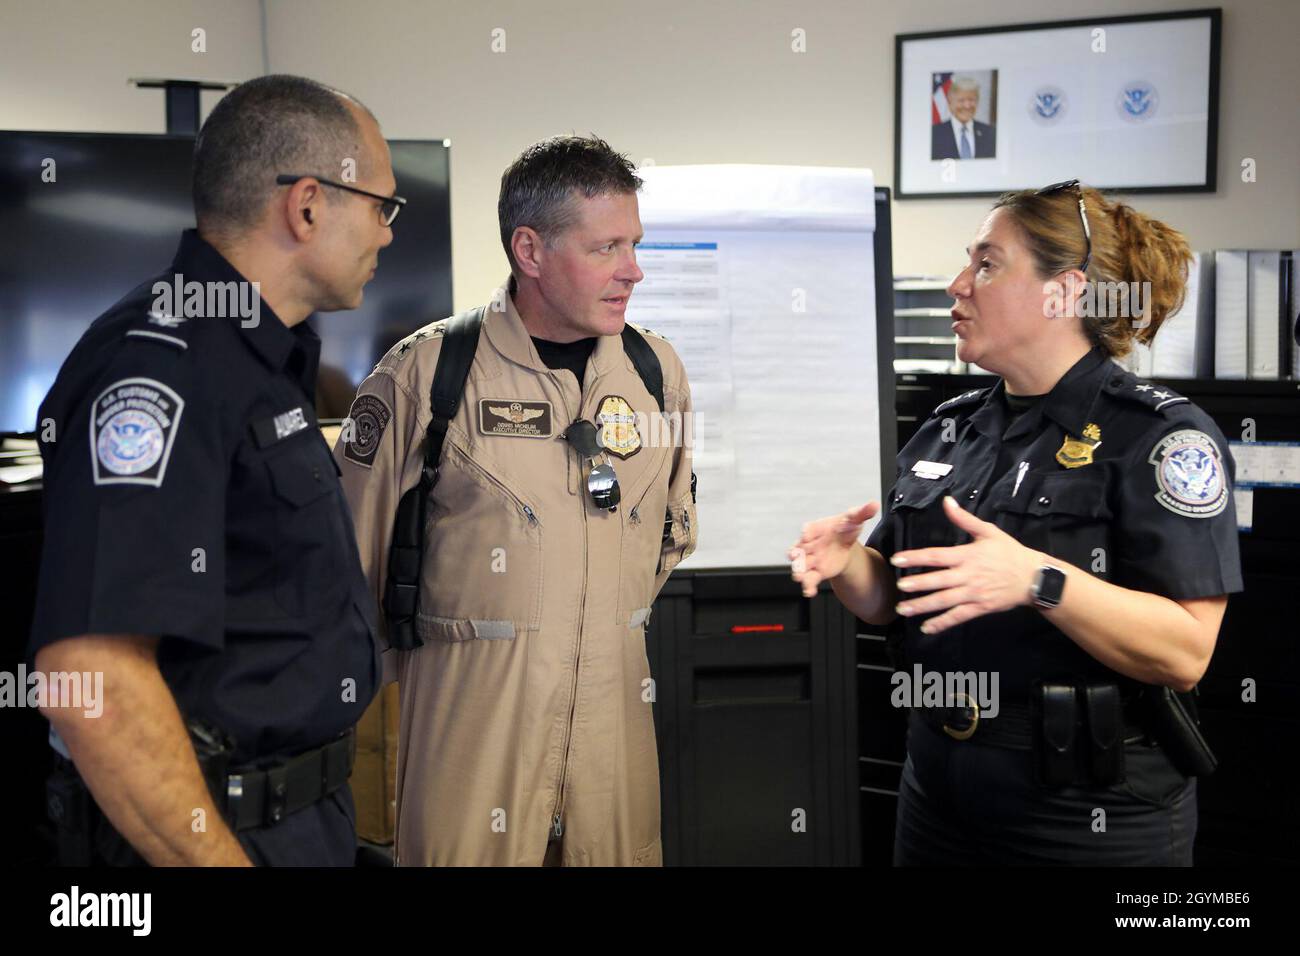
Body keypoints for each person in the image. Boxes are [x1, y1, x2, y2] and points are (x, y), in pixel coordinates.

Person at [790, 180, 1241, 865]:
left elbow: (1184, 653)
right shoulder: (952, 429)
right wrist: (849, 563)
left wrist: (1040, 580)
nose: (957, 284)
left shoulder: (1158, 436)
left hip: (1085, 813)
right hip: (939, 793)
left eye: (987, 265)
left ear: (1064, 292)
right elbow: (892, 599)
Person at [30, 74, 398, 866]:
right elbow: (89, 674)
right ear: (306, 205)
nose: (388, 235)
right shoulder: (163, 368)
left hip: (297, 822)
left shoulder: (254, 359)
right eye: (381, 206)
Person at [336, 135, 697, 866]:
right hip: (474, 753)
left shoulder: (656, 373)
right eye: (606, 249)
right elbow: (346, 567)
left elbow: (669, 538)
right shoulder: (427, 375)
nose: (634, 270)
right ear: (529, 250)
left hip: (614, 754)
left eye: (635, 244)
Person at [931, 75, 996, 160]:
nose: (967, 106)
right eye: (961, 100)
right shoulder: (934, 134)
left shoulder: (991, 133)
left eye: (971, 100)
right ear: (950, 103)